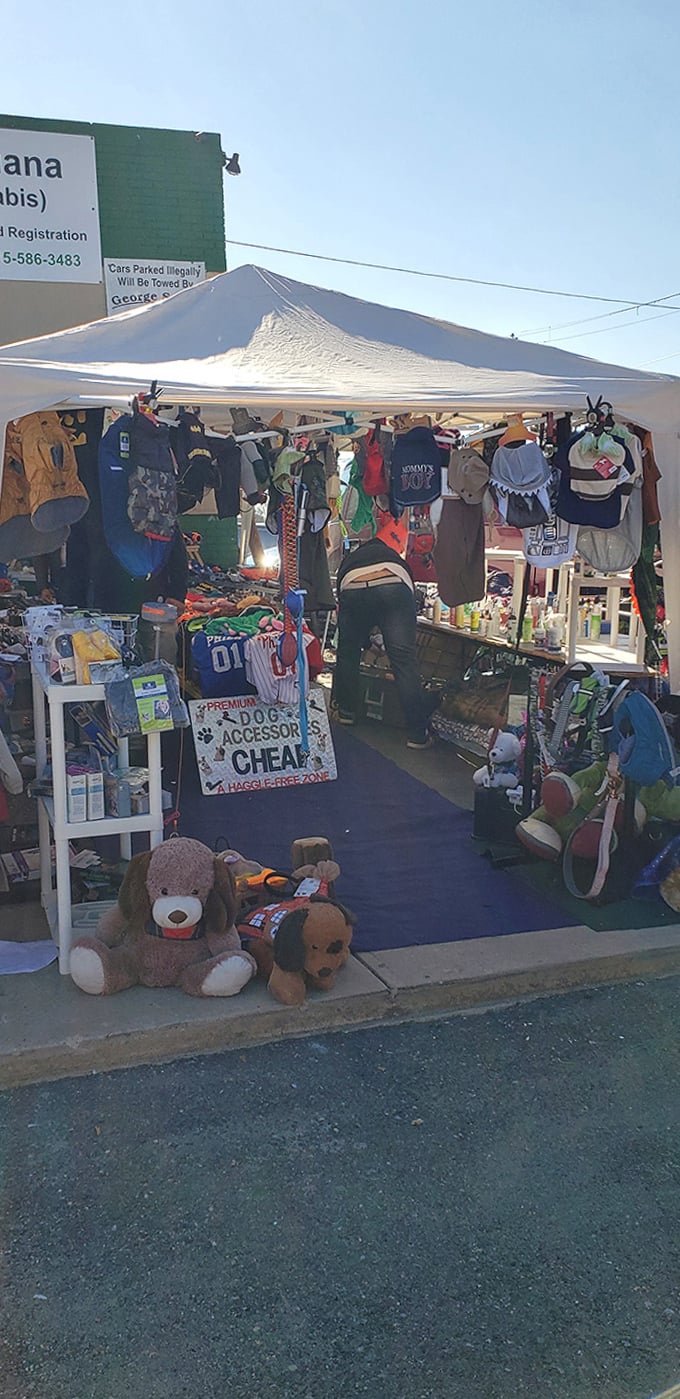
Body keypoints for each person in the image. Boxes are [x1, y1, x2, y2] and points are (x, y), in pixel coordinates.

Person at [333, 536, 431, 749]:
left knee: (348, 654)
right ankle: (417, 733)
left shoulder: (352, 558)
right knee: (404, 661)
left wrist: (366, 643)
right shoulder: (392, 556)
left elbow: (351, 617)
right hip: (394, 584)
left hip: (352, 584)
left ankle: (347, 712)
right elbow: (408, 591)